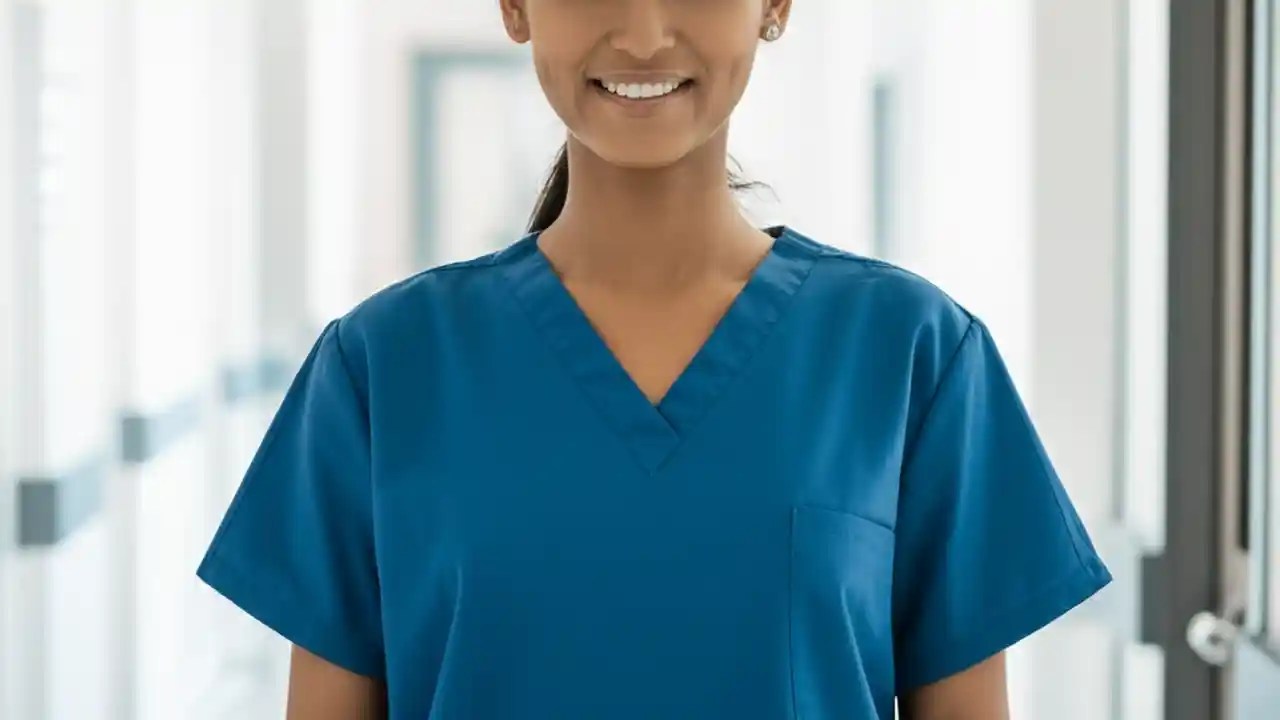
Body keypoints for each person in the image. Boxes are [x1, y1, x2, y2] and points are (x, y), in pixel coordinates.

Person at [196, 1, 1113, 718]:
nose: (641, 32)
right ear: (515, 6)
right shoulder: (380, 369)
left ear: (775, 4)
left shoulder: (915, 356)